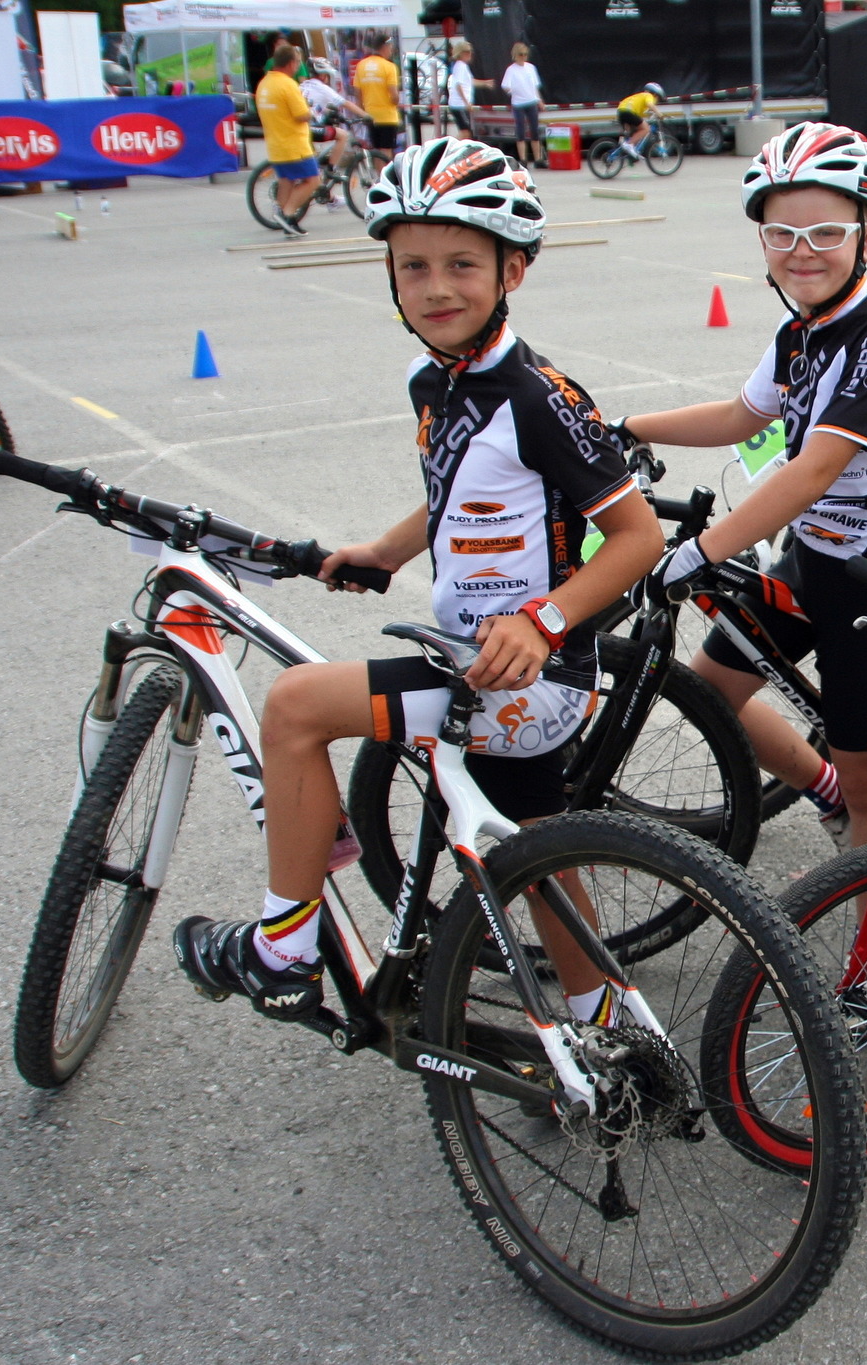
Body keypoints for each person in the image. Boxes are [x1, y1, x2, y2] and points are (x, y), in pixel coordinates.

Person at [174, 138, 666, 1026]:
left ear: (512, 270)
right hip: (484, 662)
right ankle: (607, 1027)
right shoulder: (432, 379)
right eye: (413, 267)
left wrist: (544, 620)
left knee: (293, 707)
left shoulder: (539, 397)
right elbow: (455, 489)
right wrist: (388, 551)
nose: (436, 287)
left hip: (527, 674)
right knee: (538, 863)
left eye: (462, 265)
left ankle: (283, 949)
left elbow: (639, 538)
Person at [612, 124, 867, 849]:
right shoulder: (800, 333)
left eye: (825, 232)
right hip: (808, 559)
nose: (801, 251)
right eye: (781, 234)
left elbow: (814, 469)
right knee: (712, 691)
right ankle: (826, 793)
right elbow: (740, 415)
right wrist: (629, 425)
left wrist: (703, 551)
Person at [256, 44, 319, 236]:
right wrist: (311, 112)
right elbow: (301, 114)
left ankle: (281, 213)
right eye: (298, 62)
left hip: (275, 144)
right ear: (291, 63)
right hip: (294, 145)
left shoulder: (264, 84)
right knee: (313, 180)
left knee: (286, 180)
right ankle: (288, 214)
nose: (298, 66)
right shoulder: (288, 85)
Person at [299, 59, 369, 190]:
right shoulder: (322, 88)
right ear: (322, 75)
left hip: (300, 128)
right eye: (327, 75)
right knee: (343, 135)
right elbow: (345, 103)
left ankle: (329, 198)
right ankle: (331, 170)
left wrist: (330, 113)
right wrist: (366, 116)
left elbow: (316, 106)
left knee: (317, 164)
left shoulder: (304, 85)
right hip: (309, 128)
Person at [352, 36, 403, 165]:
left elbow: (357, 92)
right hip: (387, 116)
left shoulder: (361, 65)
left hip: (370, 115)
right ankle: (386, 176)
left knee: (376, 150)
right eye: (390, 47)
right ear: (384, 47)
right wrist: (397, 100)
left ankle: (378, 176)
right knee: (386, 150)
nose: (391, 50)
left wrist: (362, 112)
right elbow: (394, 96)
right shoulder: (389, 66)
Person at [501, 41, 544, 169]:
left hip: (531, 101)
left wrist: (539, 100)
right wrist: (513, 91)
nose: (523, 57)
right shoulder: (511, 70)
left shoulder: (531, 68)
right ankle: (523, 159)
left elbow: (535, 86)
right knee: (520, 132)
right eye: (521, 54)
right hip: (518, 104)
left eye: (525, 54)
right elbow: (505, 85)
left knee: (535, 131)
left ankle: (538, 159)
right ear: (515, 55)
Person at [445, 38, 488, 135]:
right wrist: (466, 102)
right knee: (465, 132)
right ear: (460, 53)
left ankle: (454, 144)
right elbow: (458, 85)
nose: (470, 54)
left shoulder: (462, 66)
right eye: (467, 52)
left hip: (460, 104)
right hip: (459, 104)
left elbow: (469, 82)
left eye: (470, 52)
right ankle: (451, 144)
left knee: (466, 131)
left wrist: (485, 83)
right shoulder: (460, 66)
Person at [616, 81, 665, 156]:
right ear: (655, 94)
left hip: (621, 111)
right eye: (658, 99)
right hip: (628, 112)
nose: (657, 102)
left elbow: (639, 117)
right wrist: (659, 114)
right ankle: (629, 145)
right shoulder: (649, 95)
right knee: (646, 129)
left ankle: (626, 151)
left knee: (634, 131)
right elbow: (650, 104)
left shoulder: (639, 96)